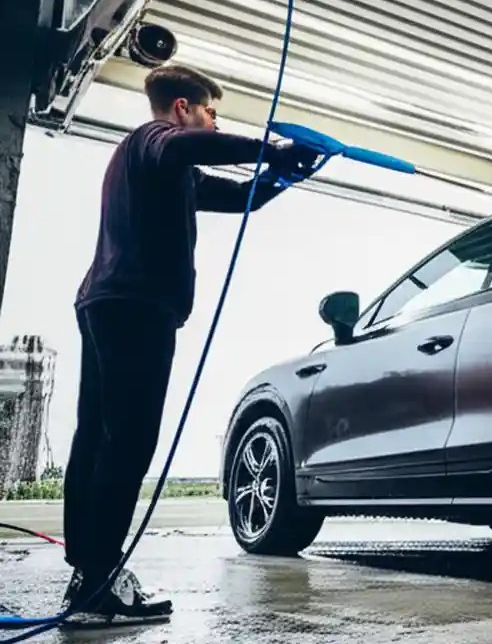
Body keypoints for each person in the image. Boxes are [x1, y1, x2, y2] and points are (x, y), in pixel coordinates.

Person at [59, 64, 319, 627]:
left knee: (99, 439)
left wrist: (285, 175)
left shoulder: (165, 170)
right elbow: (188, 148)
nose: (212, 121)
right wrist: (269, 147)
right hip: (136, 308)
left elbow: (241, 199)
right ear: (181, 108)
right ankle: (100, 583)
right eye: (209, 112)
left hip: (105, 302)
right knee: (128, 443)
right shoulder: (153, 140)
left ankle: (88, 576)